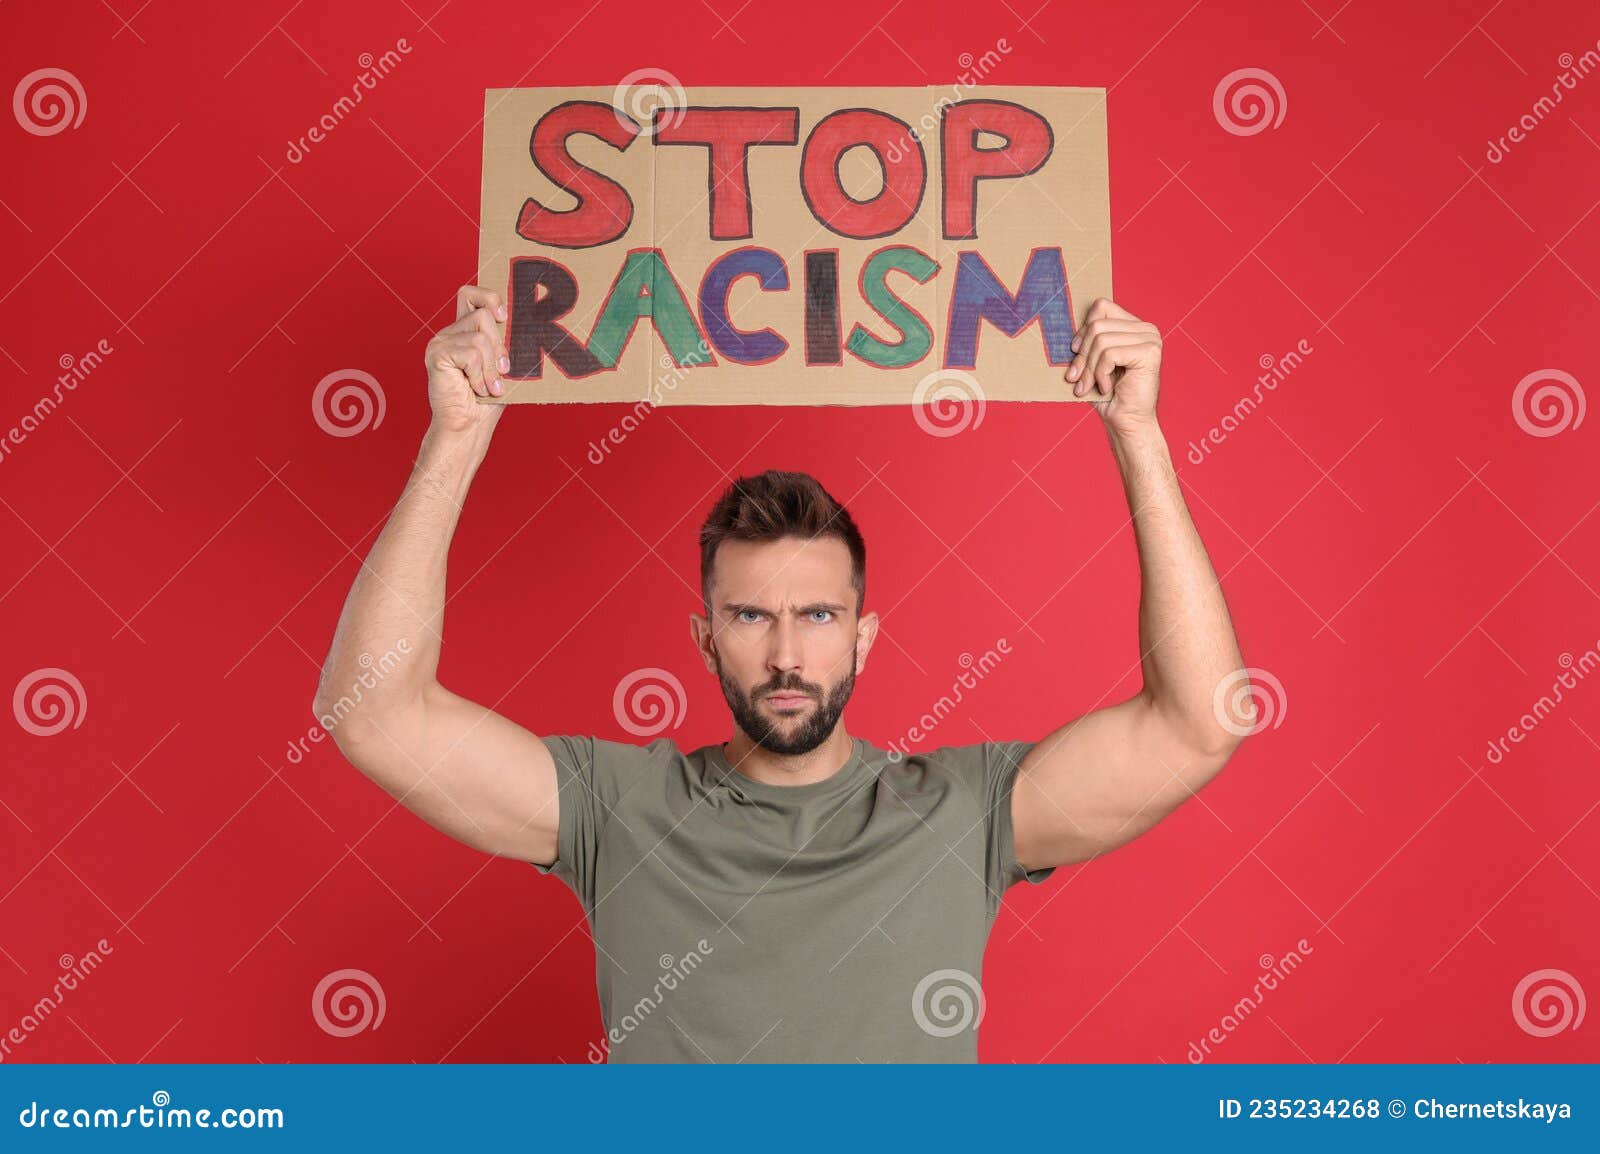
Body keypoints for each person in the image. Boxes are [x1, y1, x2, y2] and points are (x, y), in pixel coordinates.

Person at [313, 286, 1252, 1063]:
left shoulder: (960, 812)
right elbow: (372, 714)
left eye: (818, 616)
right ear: (704, 638)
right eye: (752, 617)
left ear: (864, 636)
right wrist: (457, 440)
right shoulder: (618, 809)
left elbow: (1200, 723)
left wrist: (1138, 434)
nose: (788, 656)